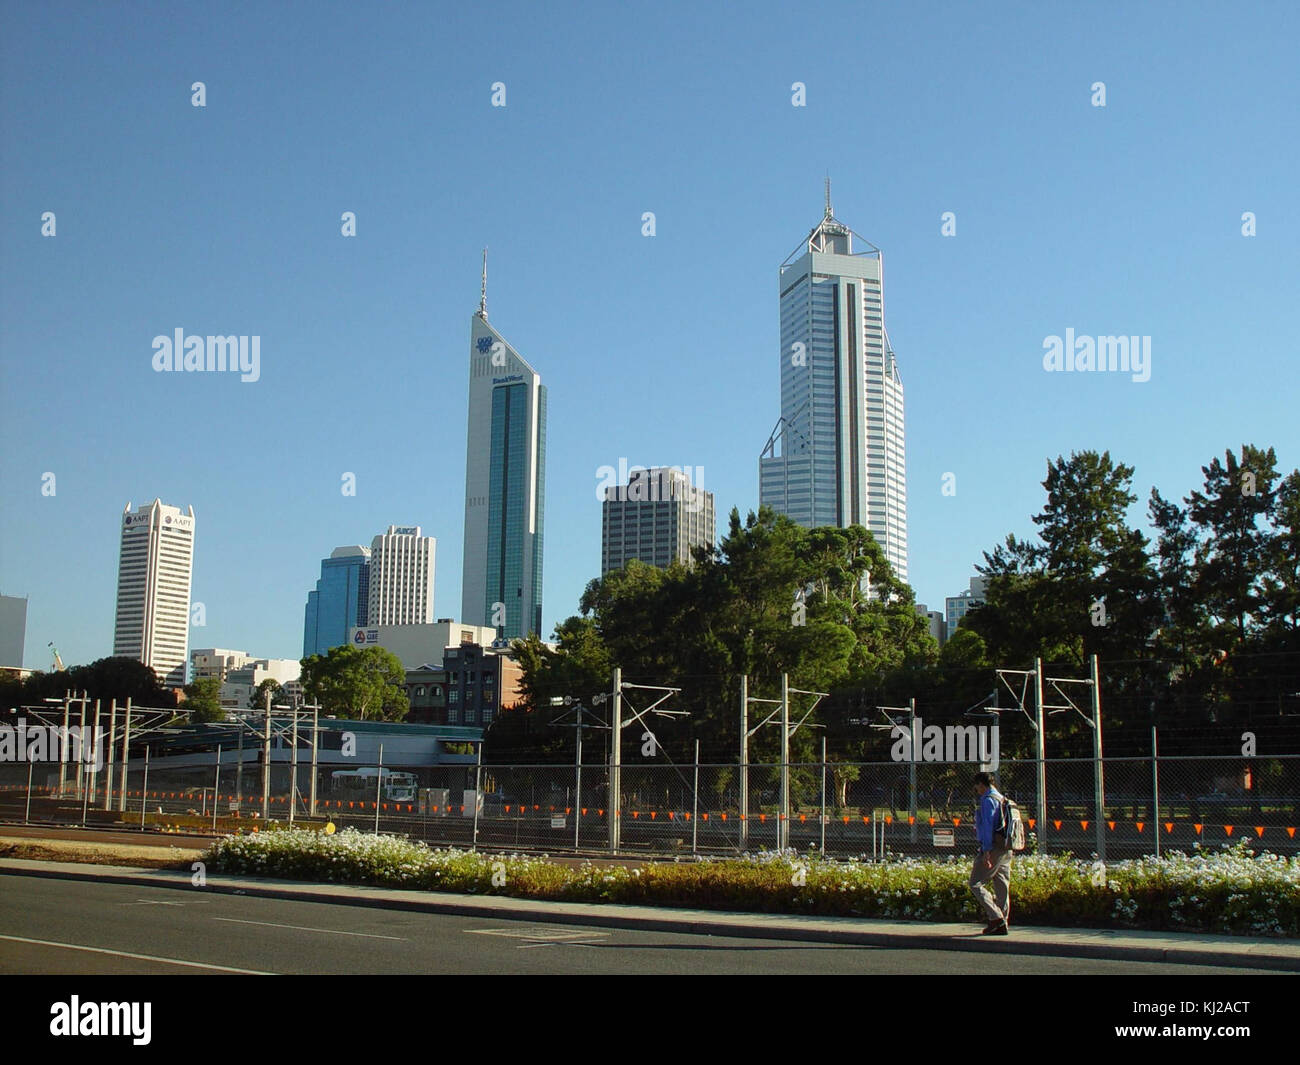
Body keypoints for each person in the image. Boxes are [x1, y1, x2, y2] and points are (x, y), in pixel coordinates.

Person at [970, 771, 1011, 935]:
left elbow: (988, 827)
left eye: (976, 786)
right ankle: (1002, 923)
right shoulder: (1001, 798)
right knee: (1002, 886)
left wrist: (986, 850)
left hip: (993, 847)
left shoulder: (987, 800)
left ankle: (996, 917)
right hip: (1006, 847)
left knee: (975, 883)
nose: (976, 789)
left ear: (981, 784)